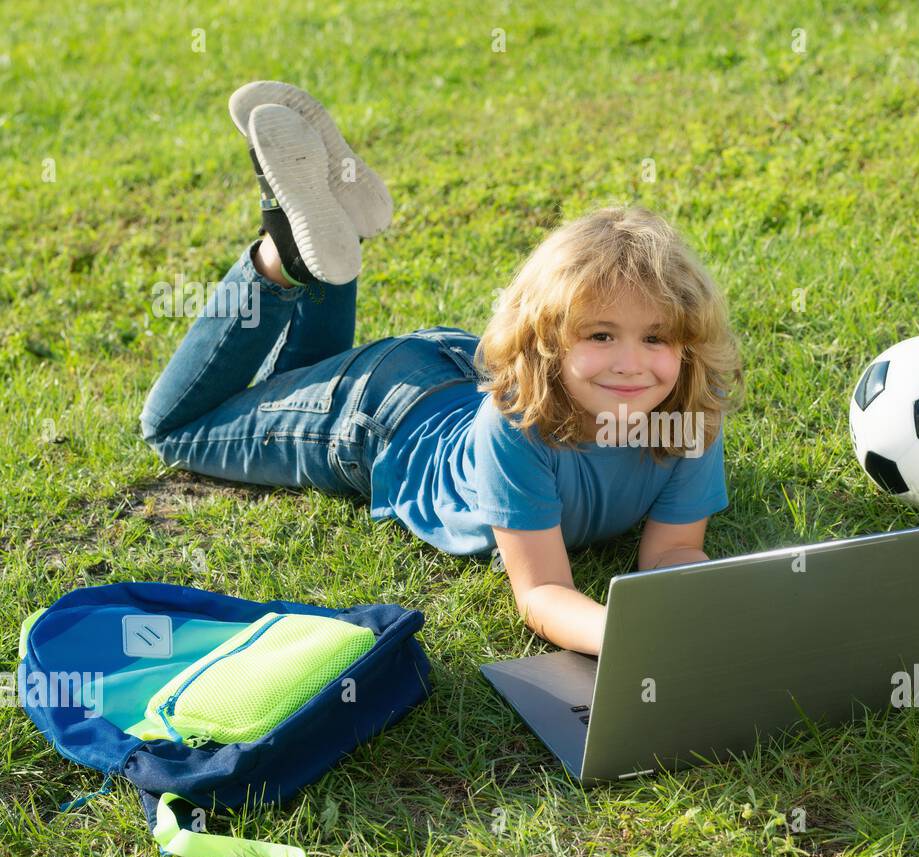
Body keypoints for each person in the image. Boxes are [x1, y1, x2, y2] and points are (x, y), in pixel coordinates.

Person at [140, 82, 744, 656]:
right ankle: (281, 260)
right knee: (174, 430)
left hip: (457, 370)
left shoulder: (690, 415)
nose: (631, 364)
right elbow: (541, 592)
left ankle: (332, 233)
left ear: (688, 344)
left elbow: (671, 553)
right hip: (379, 413)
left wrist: (704, 600)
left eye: (657, 337)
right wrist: (626, 634)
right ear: (546, 343)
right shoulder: (519, 428)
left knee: (296, 375)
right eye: (602, 334)